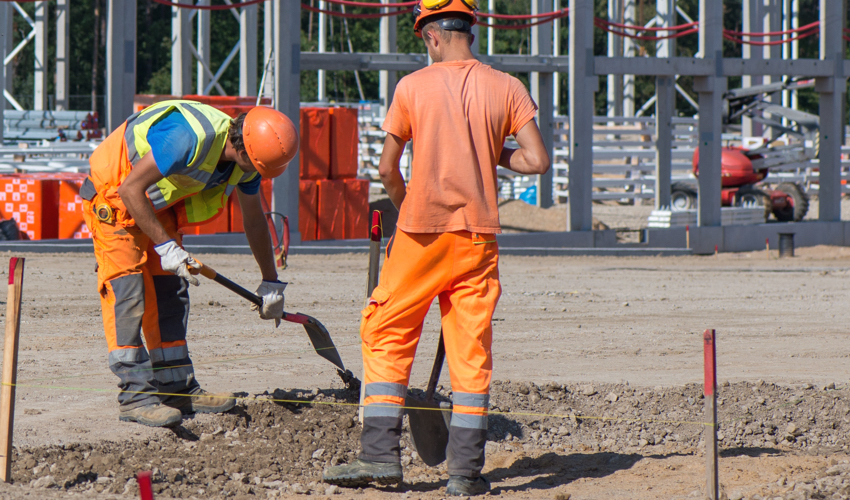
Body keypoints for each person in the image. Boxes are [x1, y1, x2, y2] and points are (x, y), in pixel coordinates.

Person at [319, 0, 550, 495]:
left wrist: (406, 210)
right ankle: (464, 474)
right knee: (470, 350)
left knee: (386, 332)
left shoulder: (413, 88)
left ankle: (380, 457)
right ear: (469, 29)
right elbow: (536, 161)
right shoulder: (507, 88)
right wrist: (491, 150)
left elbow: (386, 170)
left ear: (432, 36)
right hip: (478, 238)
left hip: (421, 236)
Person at [82, 100, 300, 427]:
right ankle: (135, 397)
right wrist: (168, 247)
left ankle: (177, 389)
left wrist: (271, 282)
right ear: (244, 150)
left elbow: (254, 220)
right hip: (115, 201)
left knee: (171, 294)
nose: (256, 173)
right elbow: (130, 189)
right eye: (257, 166)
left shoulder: (246, 161)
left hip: (154, 208)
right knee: (127, 294)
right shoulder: (188, 137)